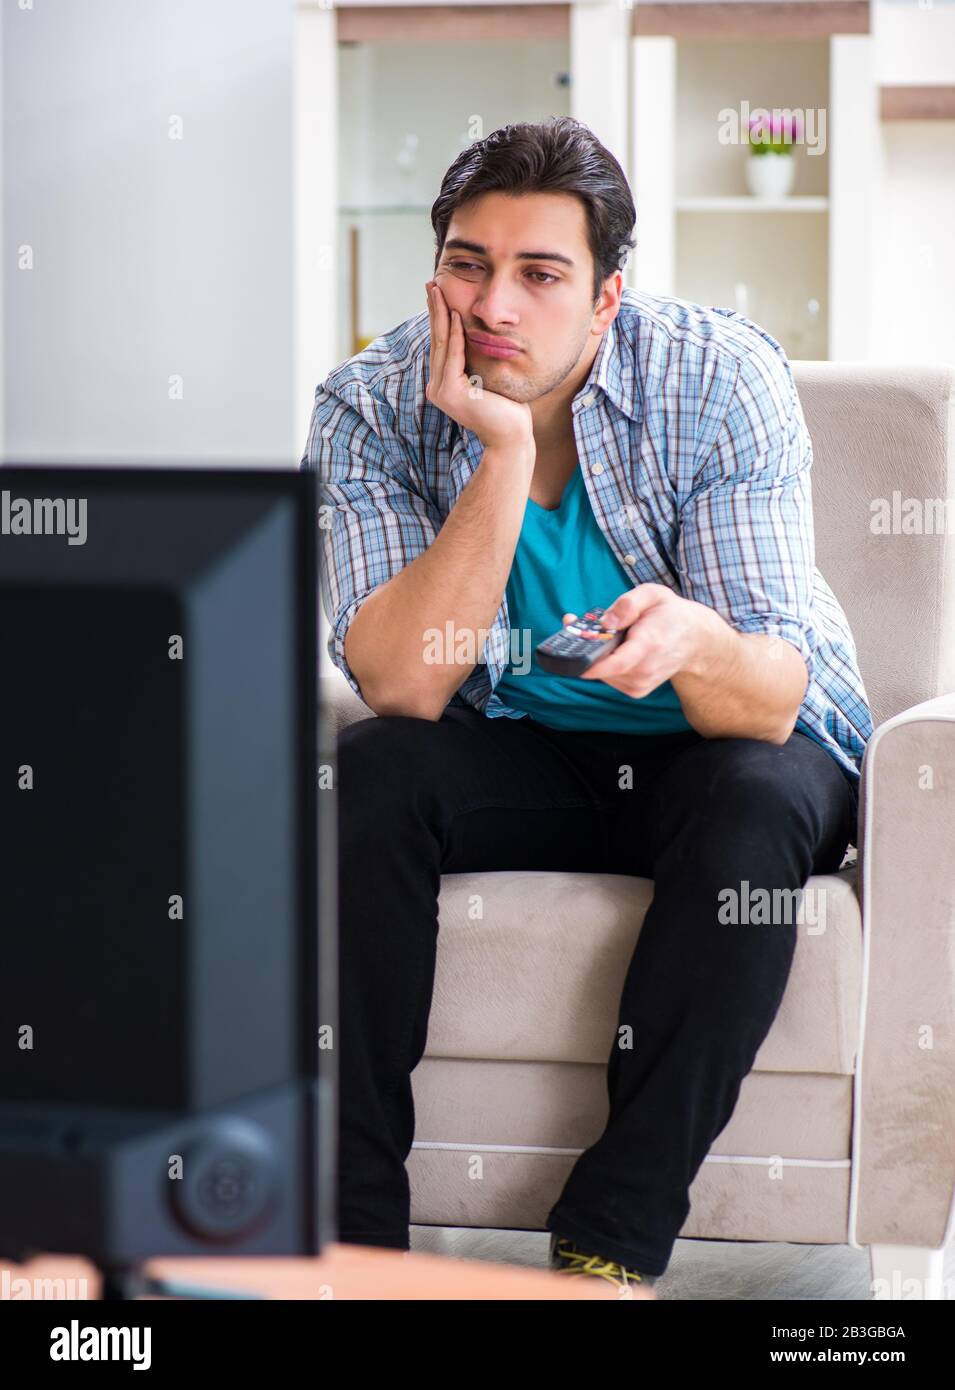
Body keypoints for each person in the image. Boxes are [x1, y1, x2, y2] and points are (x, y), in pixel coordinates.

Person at [301, 116, 873, 1292]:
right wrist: (502, 453)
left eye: (540, 275)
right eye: (469, 264)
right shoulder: (368, 402)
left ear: (608, 297)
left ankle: (607, 1241)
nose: (495, 306)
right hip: (527, 743)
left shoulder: (718, 377)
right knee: (369, 775)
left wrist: (693, 640)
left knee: (753, 799)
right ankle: (353, 1235)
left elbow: (773, 698)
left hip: (716, 747)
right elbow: (407, 684)